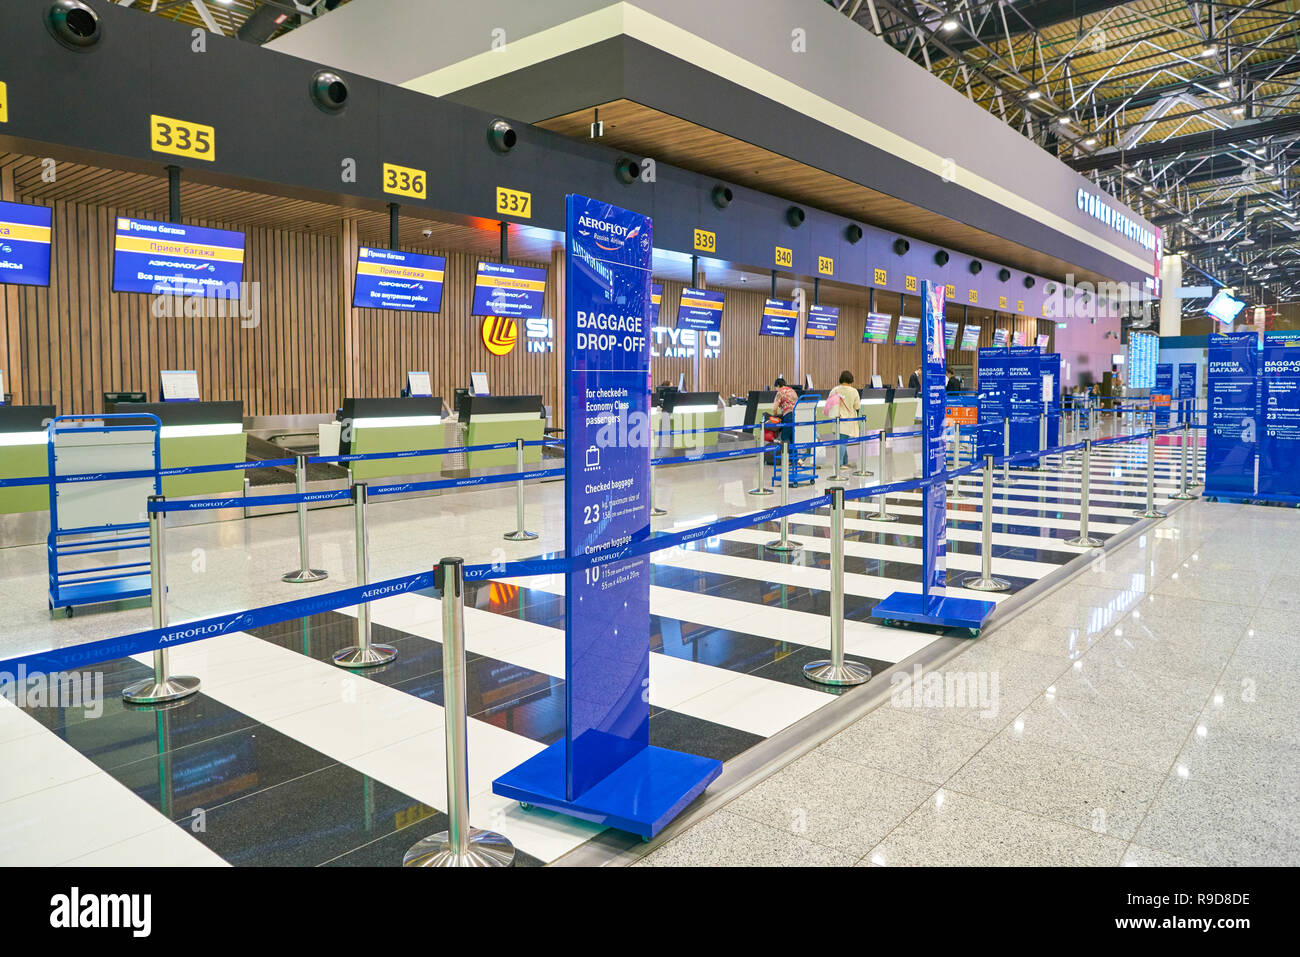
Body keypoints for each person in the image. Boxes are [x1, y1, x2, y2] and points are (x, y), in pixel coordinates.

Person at [827, 370, 861, 467]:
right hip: (848, 421)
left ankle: (844, 462)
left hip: (836, 419)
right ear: (851, 380)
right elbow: (857, 406)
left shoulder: (835, 390)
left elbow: (829, 404)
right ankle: (840, 464)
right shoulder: (854, 391)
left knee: (841, 441)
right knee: (842, 442)